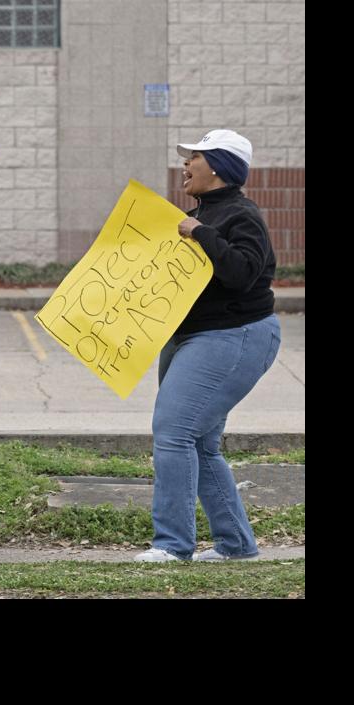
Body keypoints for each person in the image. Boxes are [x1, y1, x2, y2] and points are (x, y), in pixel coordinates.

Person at [135, 129, 281, 564]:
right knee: (198, 442)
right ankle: (236, 545)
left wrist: (201, 234)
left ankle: (171, 545)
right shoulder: (197, 215)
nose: (185, 164)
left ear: (217, 166)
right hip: (190, 336)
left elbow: (242, 273)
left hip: (235, 334)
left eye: (194, 157)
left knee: (173, 431)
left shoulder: (241, 215)